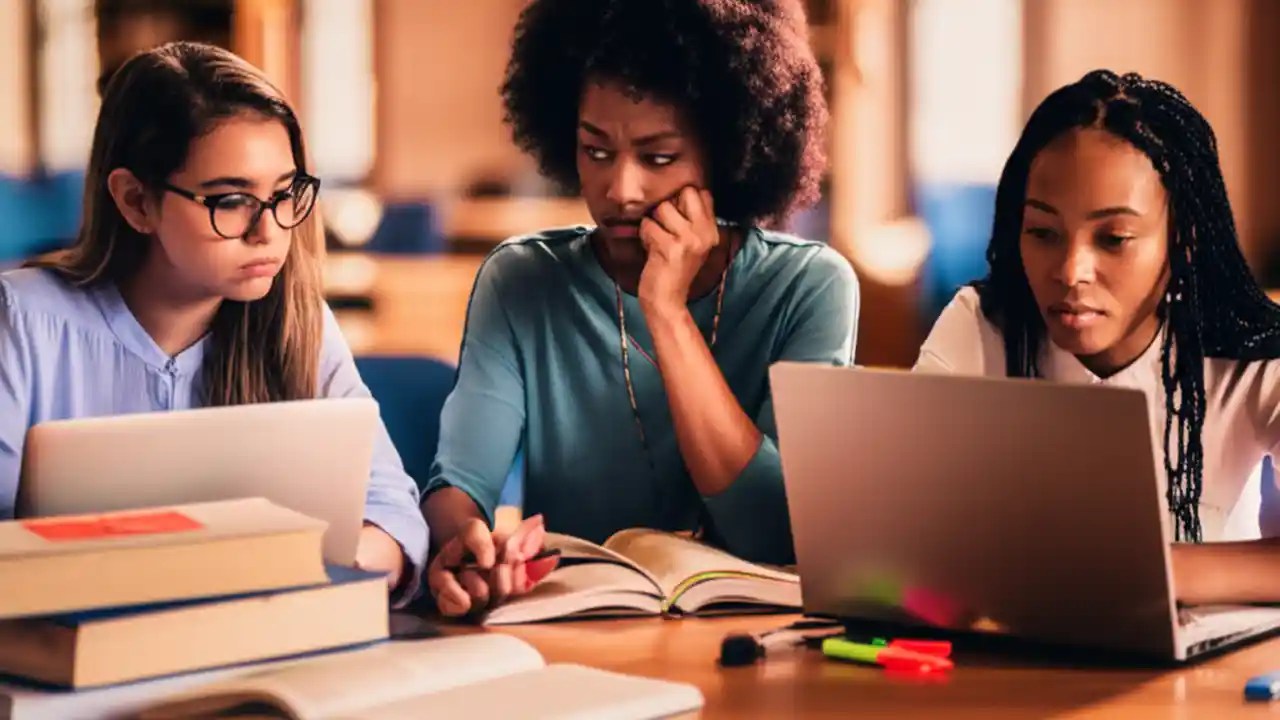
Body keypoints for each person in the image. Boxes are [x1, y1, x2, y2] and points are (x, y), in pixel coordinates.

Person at [423, 0, 859, 617]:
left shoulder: (810, 288)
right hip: (582, 634)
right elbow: (459, 483)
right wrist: (462, 543)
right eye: (595, 151)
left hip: (760, 644)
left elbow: (774, 530)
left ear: (728, 151)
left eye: (658, 158)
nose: (620, 190)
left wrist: (667, 310)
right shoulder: (520, 281)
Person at [0, 42, 428, 603]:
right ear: (135, 202)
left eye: (284, 193)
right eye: (231, 200)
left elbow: (393, 511)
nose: (270, 232)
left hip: (260, 645)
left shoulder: (300, 321)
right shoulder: (22, 323)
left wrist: (335, 560)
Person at [915, 69, 1280, 605]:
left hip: (1201, 679)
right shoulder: (982, 326)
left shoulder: (1250, 356)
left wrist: (1145, 572)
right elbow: (900, 529)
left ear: (1183, 241)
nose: (1070, 270)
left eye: (1113, 238)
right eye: (1042, 232)